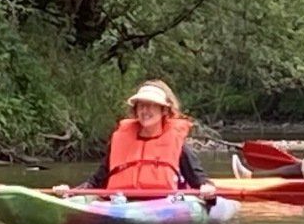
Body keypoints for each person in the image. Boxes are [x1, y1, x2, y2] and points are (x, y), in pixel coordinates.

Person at [54, 80, 215, 198]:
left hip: (162, 205)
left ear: (164, 110)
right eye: (141, 105)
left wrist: (207, 190)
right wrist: (70, 192)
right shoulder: (120, 140)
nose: (145, 110)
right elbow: (97, 181)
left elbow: (199, 181)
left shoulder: (178, 145)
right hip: (121, 203)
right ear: (135, 109)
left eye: (151, 105)